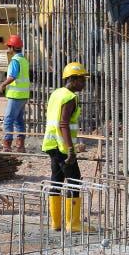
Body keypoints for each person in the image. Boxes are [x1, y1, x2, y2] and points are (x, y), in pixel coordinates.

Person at [42, 62, 93, 234]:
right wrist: (71, 150)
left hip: (51, 144)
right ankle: (73, 224)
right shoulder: (70, 97)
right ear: (73, 79)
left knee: (56, 181)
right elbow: (63, 123)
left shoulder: (57, 93)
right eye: (82, 79)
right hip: (63, 148)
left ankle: (56, 223)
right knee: (74, 180)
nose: (84, 83)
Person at [0, 35, 30, 152]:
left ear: (12, 47)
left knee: (8, 120)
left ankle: (7, 145)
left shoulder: (15, 61)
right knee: (19, 121)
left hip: (15, 95)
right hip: (23, 95)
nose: (7, 49)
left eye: (8, 47)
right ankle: (20, 146)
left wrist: (2, 85)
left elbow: (12, 76)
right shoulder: (24, 61)